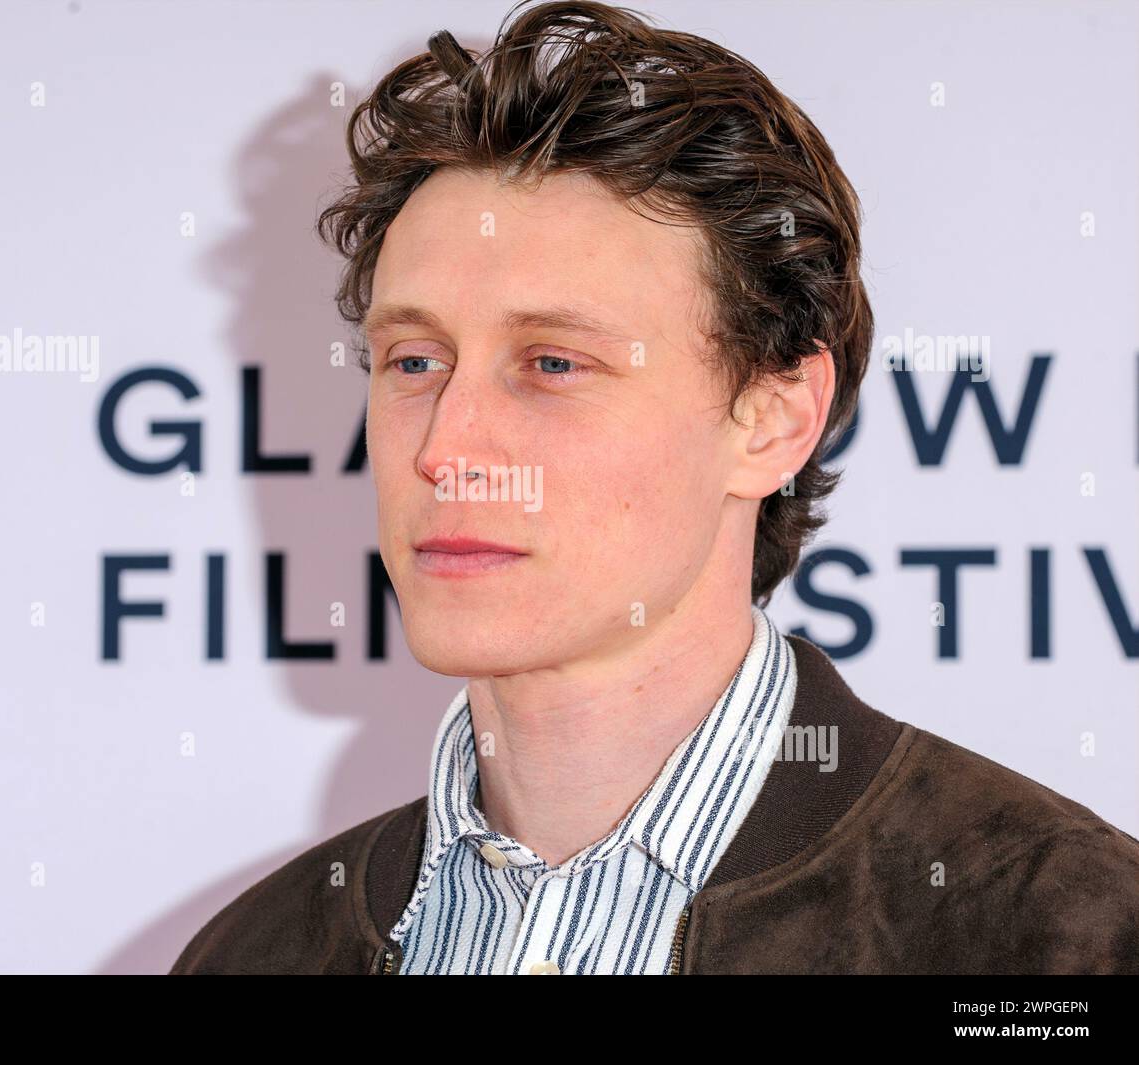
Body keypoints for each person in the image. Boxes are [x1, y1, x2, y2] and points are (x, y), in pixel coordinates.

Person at [170, 0, 1139, 974]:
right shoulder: (253, 954)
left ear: (772, 418)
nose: (447, 447)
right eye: (415, 362)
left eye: (552, 363)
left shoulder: (1055, 933)